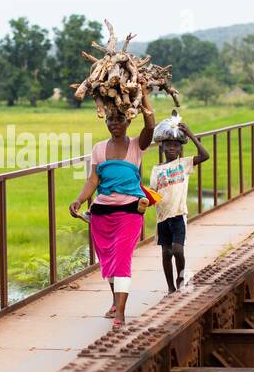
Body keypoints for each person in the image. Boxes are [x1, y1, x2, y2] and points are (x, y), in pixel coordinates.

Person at [69, 99, 156, 326]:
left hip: (130, 211)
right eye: (110, 119)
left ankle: (121, 313)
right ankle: (115, 303)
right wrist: (79, 200)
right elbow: (93, 180)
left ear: (128, 120)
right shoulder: (99, 148)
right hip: (101, 214)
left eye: (119, 119)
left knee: (122, 259)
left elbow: (150, 126)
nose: (114, 123)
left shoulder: (138, 144)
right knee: (108, 260)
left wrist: (144, 95)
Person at [149, 118, 209, 292]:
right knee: (166, 253)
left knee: (177, 250)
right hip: (162, 217)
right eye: (168, 146)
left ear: (180, 148)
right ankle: (170, 287)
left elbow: (205, 155)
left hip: (178, 214)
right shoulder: (156, 170)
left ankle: (181, 277)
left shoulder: (184, 164)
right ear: (162, 147)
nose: (172, 149)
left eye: (176, 146)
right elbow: (153, 192)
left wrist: (190, 134)